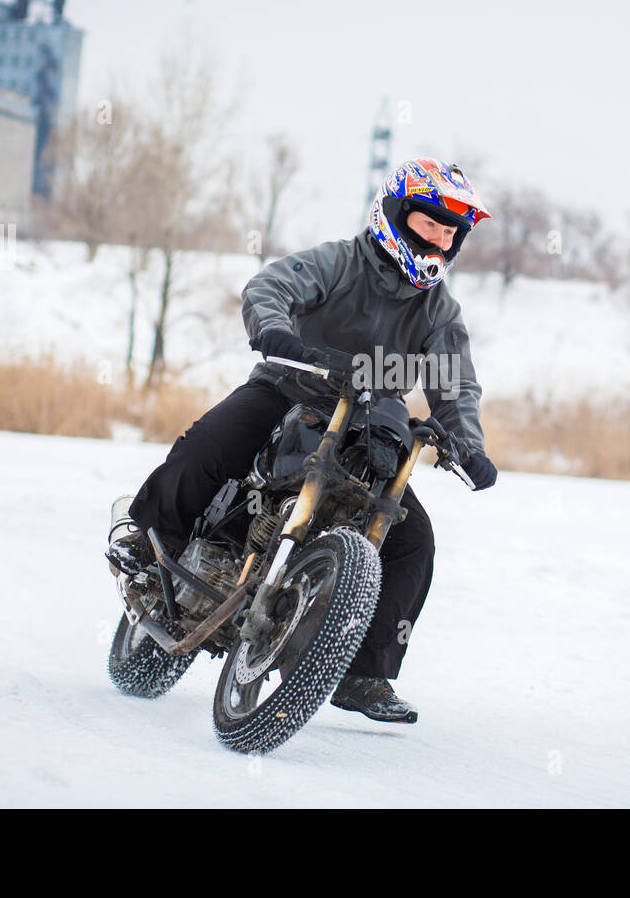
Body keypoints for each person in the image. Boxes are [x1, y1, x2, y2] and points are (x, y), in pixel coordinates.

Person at [109, 158, 499, 723]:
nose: (438, 240)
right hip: (291, 388)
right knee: (211, 445)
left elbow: (455, 384)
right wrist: (275, 329)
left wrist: (469, 444)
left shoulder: (439, 311)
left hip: (370, 428)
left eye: (449, 233)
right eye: (428, 224)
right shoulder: (341, 262)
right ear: (394, 213)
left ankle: (363, 674)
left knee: (414, 540)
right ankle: (148, 541)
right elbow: (273, 284)